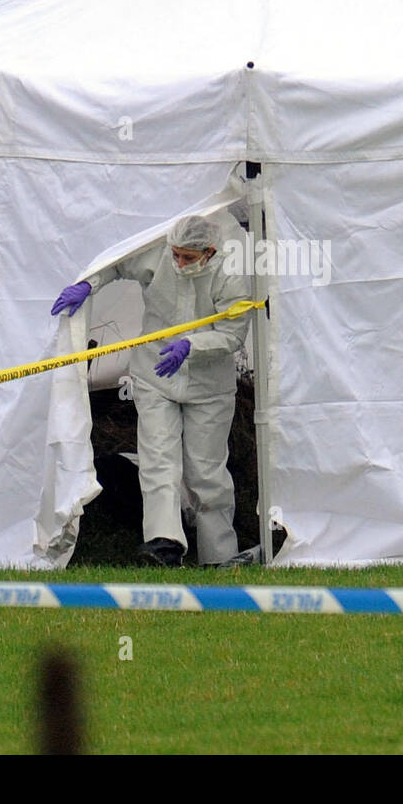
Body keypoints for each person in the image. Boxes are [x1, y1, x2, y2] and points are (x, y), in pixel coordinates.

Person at [51, 214, 250, 567]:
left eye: (188, 257)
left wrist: (192, 346)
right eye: (176, 254)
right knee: (159, 461)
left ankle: (219, 555)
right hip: (154, 375)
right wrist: (90, 284)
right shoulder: (159, 255)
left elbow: (233, 335)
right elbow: (116, 263)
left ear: (210, 251)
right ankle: (164, 546)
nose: (179, 262)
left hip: (209, 387)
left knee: (206, 473)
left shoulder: (231, 275)